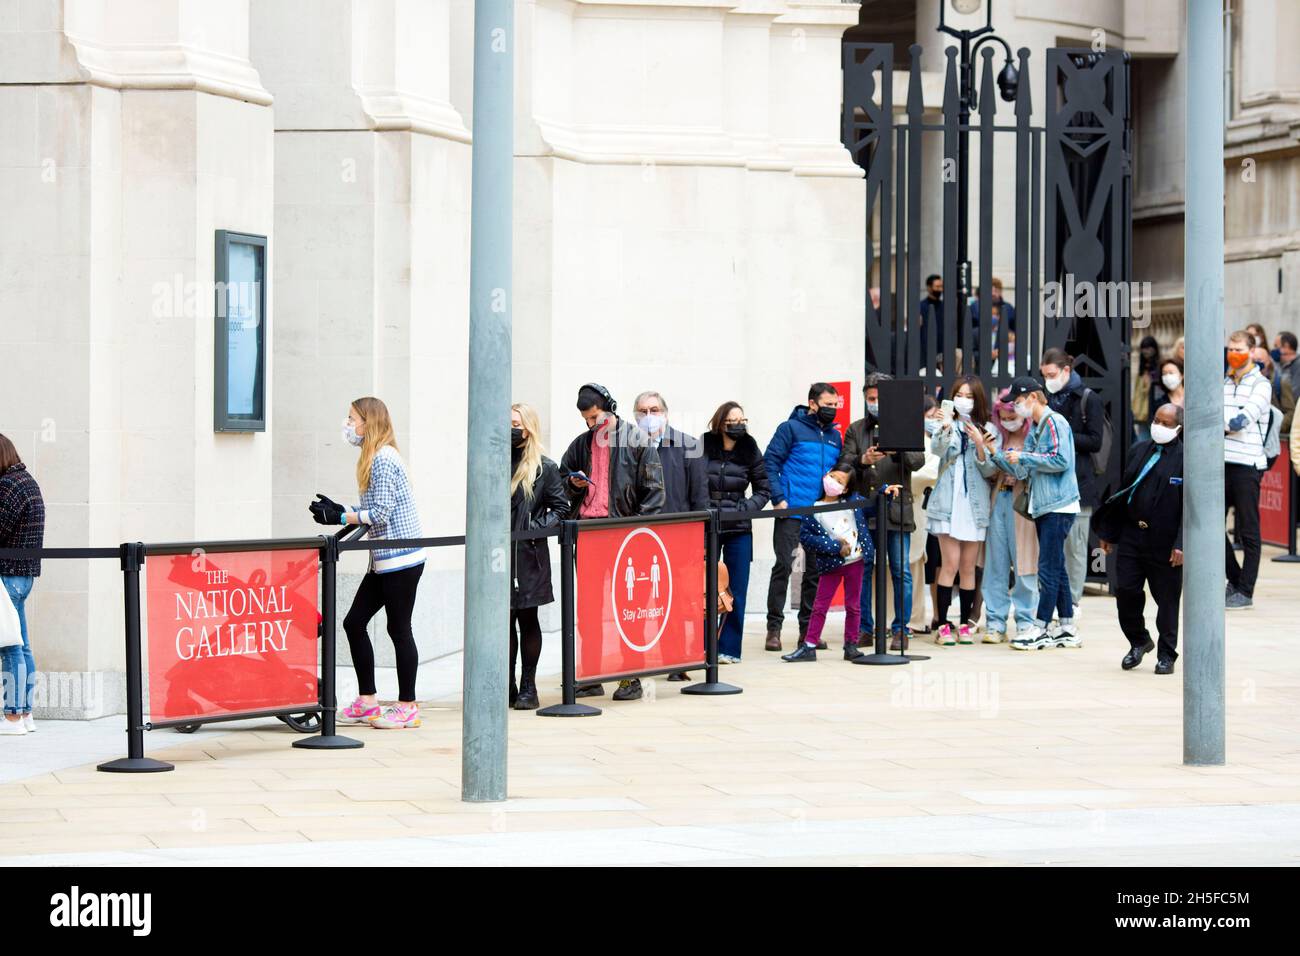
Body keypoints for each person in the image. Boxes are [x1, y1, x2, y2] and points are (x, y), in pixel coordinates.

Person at [311, 397, 426, 729]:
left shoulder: (384, 459)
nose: (347, 425)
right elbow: (374, 508)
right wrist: (338, 510)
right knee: (354, 622)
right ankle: (368, 701)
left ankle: (407, 707)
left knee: (398, 629)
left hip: (402, 559)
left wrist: (340, 516)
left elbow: (380, 513)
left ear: (368, 422)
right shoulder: (372, 457)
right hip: (384, 560)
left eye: (351, 418)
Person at [560, 383, 665, 699]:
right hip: (589, 535)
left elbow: (655, 492)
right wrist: (573, 484)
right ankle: (591, 675)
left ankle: (630, 678)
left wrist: (636, 532)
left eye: (594, 417)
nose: (591, 425)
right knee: (589, 610)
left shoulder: (638, 441)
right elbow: (561, 486)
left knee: (629, 609)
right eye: (586, 419)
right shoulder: (581, 444)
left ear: (610, 407)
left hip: (626, 538)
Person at [1095, 404, 1184, 675]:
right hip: (1133, 534)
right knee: (1126, 591)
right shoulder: (1139, 450)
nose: (1159, 426)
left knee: (1166, 600)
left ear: (1178, 428)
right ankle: (1139, 640)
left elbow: (1191, 507)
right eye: (1156, 420)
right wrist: (1110, 533)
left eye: (1166, 423)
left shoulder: (1186, 458)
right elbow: (1124, 492)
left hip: (1165, 540)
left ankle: (1166, 654)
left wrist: (1181, 543)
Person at [838, 373, 925, 651]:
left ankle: (901, 629)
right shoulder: (856, 429)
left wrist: (896, 450)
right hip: (865, 509)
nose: (874, 403)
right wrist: (863, 460)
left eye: (879, 398)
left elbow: (917, 461)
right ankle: (865, 627)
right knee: (863, 569)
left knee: (901, 570)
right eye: (870, 398)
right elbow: (845, 463)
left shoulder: (906, 422)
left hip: (898, 510)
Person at [996, 377, 1082, 650]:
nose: (1017, 408)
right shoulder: (1038, 427)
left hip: (1057, 505)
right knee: (1056, 567)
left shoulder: (1054, 422)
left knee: (1047, 567)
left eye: (1019, 402)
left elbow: (1060, 460)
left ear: (1033, 397)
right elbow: (1026, 469)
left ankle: (1042, 626)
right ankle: (1066, 626)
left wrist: (1022, 457)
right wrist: (997, 455)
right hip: (1048, 505)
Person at [632, 391, 709, 680]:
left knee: (677, 605)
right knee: (640, 603)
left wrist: (700, 544)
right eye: (642, 411)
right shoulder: (629, 447)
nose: (648, 416)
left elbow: (700, 499)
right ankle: (636, 664)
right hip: (640, 540)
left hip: (678, 540)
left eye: (654, 409)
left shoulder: (689, 446)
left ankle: (676, 662)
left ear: (665, 412)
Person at [763, 383, 844, 652]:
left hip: (820, 514)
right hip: (791, 509)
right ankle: (773, 629)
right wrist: (778, 498)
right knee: (783, 567)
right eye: (827, 404)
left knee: (814, 573)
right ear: (812, 404)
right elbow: (770, 462)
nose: (832, 410)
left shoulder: (835, 436)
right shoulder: (790, 428)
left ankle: (807, 632)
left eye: (836, 405)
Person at [782, 468, 891, 662]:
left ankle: (851, 645)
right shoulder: (813, 508)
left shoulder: (853, 502)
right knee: (820, 606)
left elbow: (874, 506)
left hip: (855, 562)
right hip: (830, 564)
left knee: (854, 606)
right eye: (832, 476)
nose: (834, 481)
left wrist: (884, 492)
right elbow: (806, 538)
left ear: (845, 488)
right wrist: (834, 546)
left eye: (840, 480)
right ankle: (809, 645)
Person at [927, 375, 999, 645]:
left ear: (977, 399)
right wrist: (945, 427)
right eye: (960, 394)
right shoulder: (945, 423)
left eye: (969, 396)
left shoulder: (988, 427)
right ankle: (943, 625)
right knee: (950, 565)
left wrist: (981, 444)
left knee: (969, 568)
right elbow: (937, 450)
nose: (964, 400)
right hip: (948, 501)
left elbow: (991, 469)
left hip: (975, 504)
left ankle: (965, 625)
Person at [508, 403, 569, 710]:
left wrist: (532, 528)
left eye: (515, 423)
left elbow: (561, 509)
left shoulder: (544, 467)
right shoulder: (494, 462)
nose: (511, 428)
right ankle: (505, 683)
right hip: (498, 554)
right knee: (503, 621)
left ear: (528, 427)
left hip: (529, 555)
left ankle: (528, 686)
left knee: (527, 617)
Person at [702, 402, 771, 663]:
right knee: (704, 587)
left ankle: (729, 649)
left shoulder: (750, 447)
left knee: (736, 588)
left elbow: (764, 489)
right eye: (733, 420)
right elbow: (693, 479)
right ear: (720, 423)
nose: (739, 424)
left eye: (742, 419)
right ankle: (702, 646)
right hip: (708, 525)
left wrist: (746, 508)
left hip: (739, 527)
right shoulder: (704, 444)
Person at [1040, 348, 1105, 615]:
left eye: (1052, 375)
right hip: (1050, 482)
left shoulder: (1088, 398)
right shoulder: (1045, 398)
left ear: (1066, 370)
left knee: (1076, 547)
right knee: (1051, 548)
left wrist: (1061, 434)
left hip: (1079, 482)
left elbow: (1095, 441)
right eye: (1044, 376)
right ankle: (1052, 599)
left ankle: (1072, 601)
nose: (1048, 380)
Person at [982, 391, 1040, 643]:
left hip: (1023, 503)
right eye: (1003, 417)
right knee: (996, 563)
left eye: (1011, 416)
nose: (1007, 420)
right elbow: (989, 471)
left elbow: (1029, 470)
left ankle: (1026, 620)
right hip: (999, 498)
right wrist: (984, 449)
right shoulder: (998, 436)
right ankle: (995, 622)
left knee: (1025, 562)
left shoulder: (1034, 437)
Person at [1223, 330, 1273, 610]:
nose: (1234, 353)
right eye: (1231, 348)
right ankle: (1237, 580)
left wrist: (1222, 424)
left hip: (1247, 465)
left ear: (1252, 351)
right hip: (1223, 462)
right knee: (1211, 527)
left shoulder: (1261, 385)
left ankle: (1246, 590)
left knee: (1250, 531)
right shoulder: (1225, 382)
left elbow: (1241, 420)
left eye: (1240, 348)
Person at [0, 435, 44, 736]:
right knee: (21, 644)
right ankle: (25, 713)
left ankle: (13, 716)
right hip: (23, 574)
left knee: (9, 647)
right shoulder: (26, 480)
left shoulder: (8, 487)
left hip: (8, 572)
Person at [1131, 335, 1161, 442]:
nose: (1146, 352)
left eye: (1149, 348)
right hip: (1141, 414)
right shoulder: (1141, 370)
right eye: (1144, 348)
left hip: (1154, 412)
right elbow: (1137, 393)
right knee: (1142, 442)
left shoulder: (1159, 369)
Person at [1272, 332, 1299, 434]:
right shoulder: (1279, 364)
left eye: (1276, 346)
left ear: (1286, 347)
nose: (1274, 350)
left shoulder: (1298, 366)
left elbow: (1294, 394)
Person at [917, 274, 945, 366]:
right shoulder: (921, 306)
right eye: (937, 286)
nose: (940, 289)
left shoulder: (945, 306)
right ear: (929, 288)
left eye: (941, 286)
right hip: (925, 349)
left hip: (943, 349)